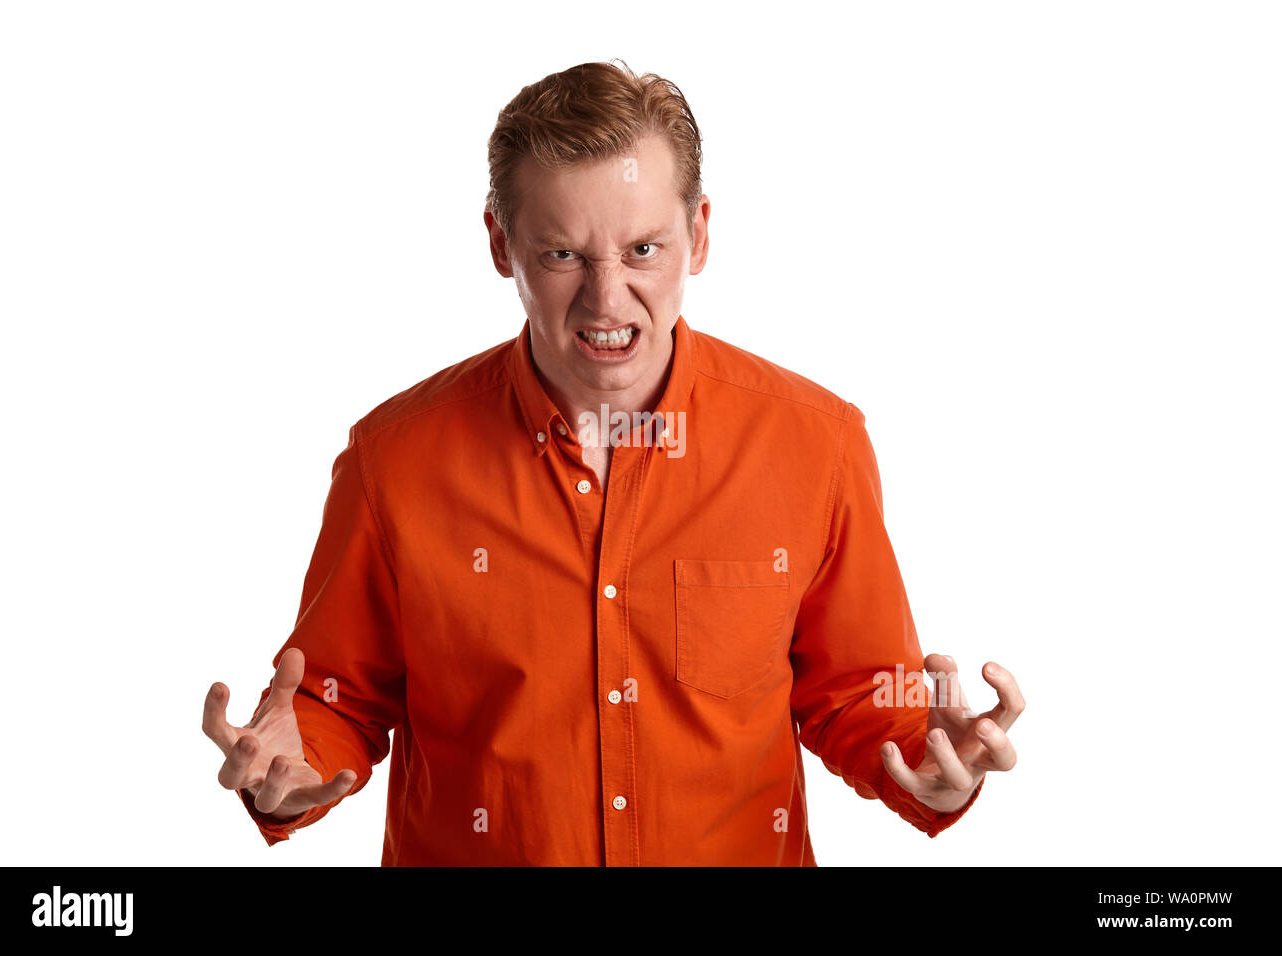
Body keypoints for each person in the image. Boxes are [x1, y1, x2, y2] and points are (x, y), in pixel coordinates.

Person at [202, 59, 1023, 866]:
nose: (605, 300)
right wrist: (288, 766)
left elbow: (853, 697)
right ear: (501, 242)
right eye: (562, 255)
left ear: (698, 235)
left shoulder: (817, 443)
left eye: (642, 250)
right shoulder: (393, 460)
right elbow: (336, 695)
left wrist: (927, 766)